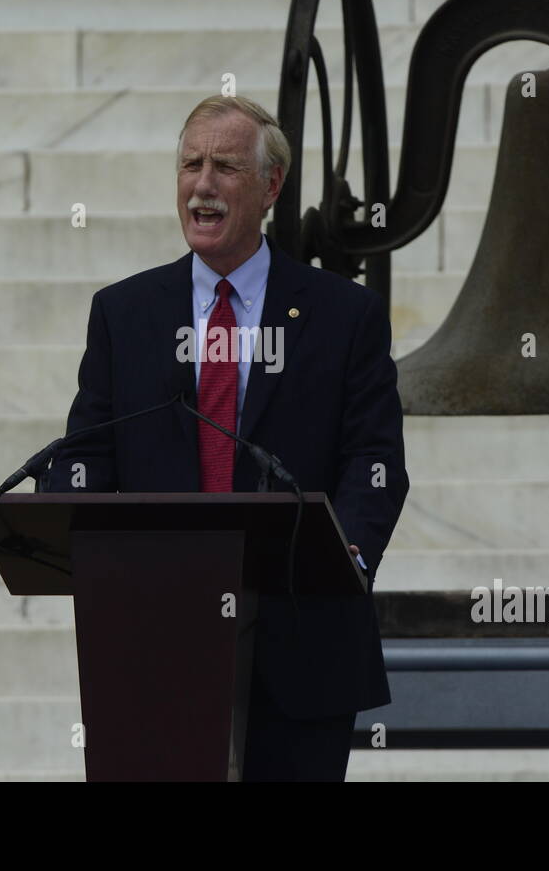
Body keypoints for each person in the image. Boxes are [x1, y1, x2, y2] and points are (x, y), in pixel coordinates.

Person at [45, 94, 408, 780]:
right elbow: (89, 452)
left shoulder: (343, 315)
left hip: (303, 637)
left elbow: (374, 461)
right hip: (153, 638)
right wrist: (67, 506)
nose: (202, 184)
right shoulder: (125, 314)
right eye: (190, 165)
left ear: (271, 186)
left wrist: (350, 555)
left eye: (225, 167)